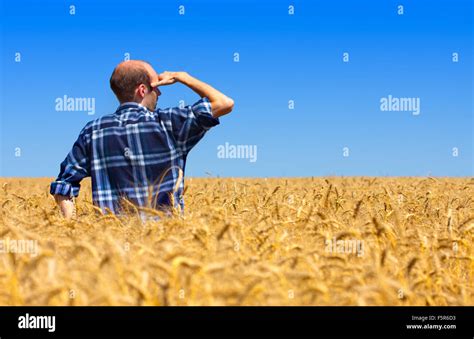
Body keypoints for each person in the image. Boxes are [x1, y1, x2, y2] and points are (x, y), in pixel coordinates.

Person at [50, 60, 234, 219]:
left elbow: (63, 184)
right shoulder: (169, 123)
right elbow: (224, 103)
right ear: (142, 90)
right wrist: (181, 76)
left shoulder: (93, 131)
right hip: (166, 248)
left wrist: (70, 227)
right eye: (157, 87)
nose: (160, 93)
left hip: (112, 250)